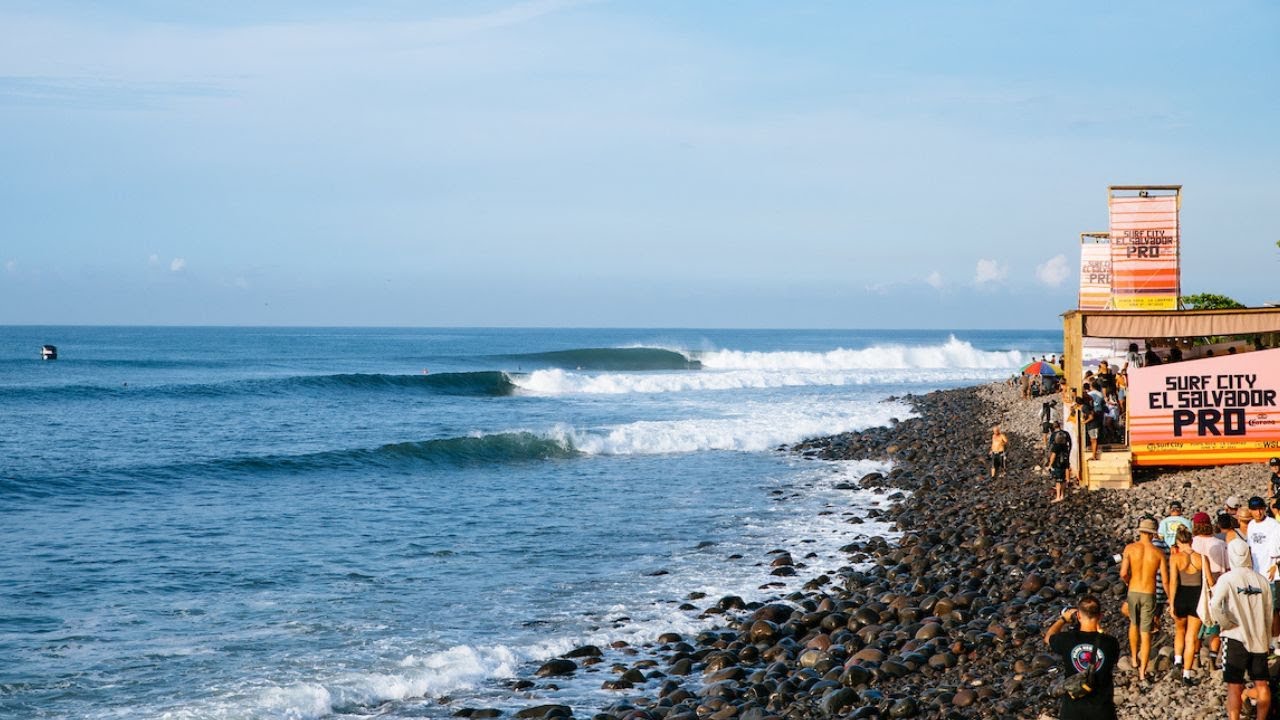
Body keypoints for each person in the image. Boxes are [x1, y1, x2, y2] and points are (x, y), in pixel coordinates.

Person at [1210, 540, 1273, 720]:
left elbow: (1215, 604)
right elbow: (1269, 613)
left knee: (1234, 685)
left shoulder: (1227, 579)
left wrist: (1226, 623)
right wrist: (1267, 638)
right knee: (1262, 684)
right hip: (1259, 638)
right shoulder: (1261, 580)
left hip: (1235, 636)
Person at [1044, 595, 1119, 720]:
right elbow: (1112, 661)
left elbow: (1048, 638)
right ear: (1100, 616)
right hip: (1102, 710)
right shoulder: (1110, 643)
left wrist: (1063, 619)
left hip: (1073, 709)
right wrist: (1101, 632)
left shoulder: (1067, 639)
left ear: (1078, 616)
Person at [1120, 517, 1167, 683]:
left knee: (1134, 623)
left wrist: (1128, 582)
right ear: (1153, 534)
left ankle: (1134, 658)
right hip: (1149, 592)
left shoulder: (1130, 548)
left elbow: (1123, 573)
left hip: (1133, 590)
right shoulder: (1158, 553)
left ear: (1140, 531)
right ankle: (1142, 672)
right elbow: (1165, 580)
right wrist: (1170, 599)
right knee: (1146, 632)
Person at [1168, 527, 1205, 684]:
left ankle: (1178, 660)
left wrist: (1171, 603)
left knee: (1179, 630)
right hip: (1196, 597)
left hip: (1181, 596)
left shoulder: (1175, 558)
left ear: (1178, 542)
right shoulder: (1201, 557)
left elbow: (1173, 581)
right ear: (1191, 540)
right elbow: (1206, 581)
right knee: (1191, 637)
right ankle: (1187, 675)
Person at [1245, 496, 1280, 652]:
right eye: (1254, 510)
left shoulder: (1274, 525)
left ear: (1265, 509)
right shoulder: (1251, 525)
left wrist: (1275, 565)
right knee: (1258, 609)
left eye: (1260, 509)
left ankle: (1275, 641)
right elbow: (1250, 549)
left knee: (1273, 609)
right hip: (1255, 573)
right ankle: (1262, 639)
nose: (1258, 513)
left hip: (1271, 573)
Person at [1193, 512, 1228, 664]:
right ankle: (1213, 658)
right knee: (1215, 622)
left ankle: (1195, 657)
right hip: (1216, 582)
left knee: (1196, 622)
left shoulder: (1192, 543)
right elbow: (1227, 568)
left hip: (1196, 583)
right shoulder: (1220, 544)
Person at [1048, 420, 1072, 503]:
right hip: (1065, 460)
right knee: (1063, 479)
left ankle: (1058, 496)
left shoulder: (1056, 445)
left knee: (1058, 481)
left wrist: (1050, 464)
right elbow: (1070, 444)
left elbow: (1053, 455)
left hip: (1058, 464)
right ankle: (1062, 495)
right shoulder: (1065, 444)